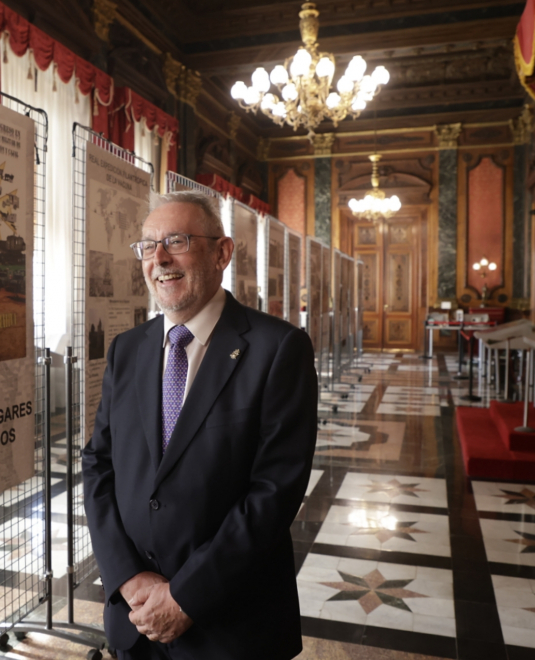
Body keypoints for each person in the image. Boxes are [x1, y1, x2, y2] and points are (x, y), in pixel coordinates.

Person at [82, 191, 318, 659]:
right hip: (134, 620)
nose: (160, 259)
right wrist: (127, 577)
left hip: (229, 626)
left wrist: (185, 596)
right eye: (148, 246)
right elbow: (98, 464)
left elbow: (274, 492)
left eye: (177, 240)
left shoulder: (278, 349)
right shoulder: (127, 350)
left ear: (222, 252)